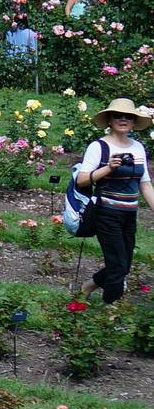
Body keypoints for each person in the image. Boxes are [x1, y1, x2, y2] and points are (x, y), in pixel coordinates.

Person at [75, 99, 154, 305]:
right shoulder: (99, 146)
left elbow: (145, 184)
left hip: (129, 214)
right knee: (118, 266)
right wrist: (109, 167)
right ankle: (111, 314)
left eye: (128, 116)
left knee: (124, 264)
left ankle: (88, 286)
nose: (123, 119)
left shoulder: (138, 147)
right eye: (118, 115)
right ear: (110, 120)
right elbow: (82, 179)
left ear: (134, 122)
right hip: (106, 212)